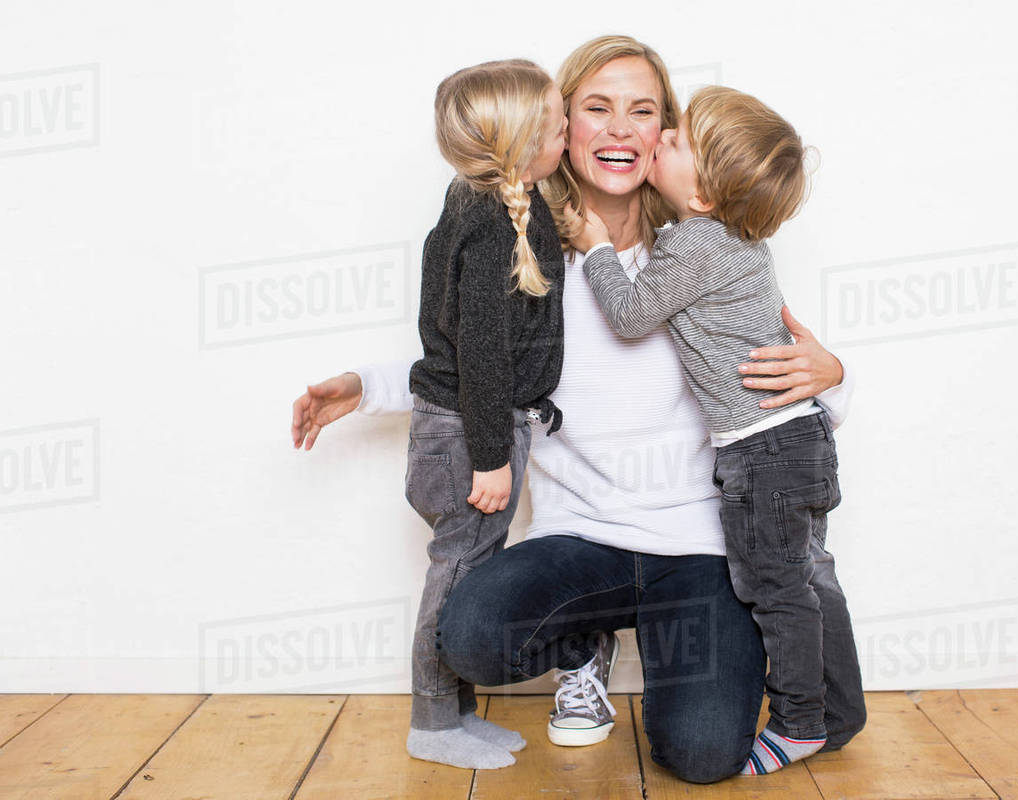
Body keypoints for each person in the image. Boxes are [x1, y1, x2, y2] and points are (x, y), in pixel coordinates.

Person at [291, 35, 866, 785]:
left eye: (646, 112)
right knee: (468, 635)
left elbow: (781, 383)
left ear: (669, 138)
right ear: (558, 129)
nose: (622, 129)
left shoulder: (702, 252)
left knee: (700, 755)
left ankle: (699, 651)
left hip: (698, 546)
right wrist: (364, 386)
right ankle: (585, 642)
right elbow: (478, 369)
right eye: (597, 109)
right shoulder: (531, 254)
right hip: (579, 544)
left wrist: (836, 373)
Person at [567, 84, 838, 775]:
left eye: (676, 137)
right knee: (804, 583)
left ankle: (803, 720)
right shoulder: (733, 243)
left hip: (762, 452)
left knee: (776, 591)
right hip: (798, 443)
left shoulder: (690, 247)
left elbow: (630, 317)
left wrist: (597, 247)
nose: (660, 139)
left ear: (706, 197)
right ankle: (836, 712)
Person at [398, 58, 569, 770]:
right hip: (468, 437)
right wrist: (492, 455)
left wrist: (539, 405)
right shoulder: (490, 224)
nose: (567, 132)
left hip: (481, 426)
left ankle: (457, 712)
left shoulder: (495, 205)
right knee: (458, 572)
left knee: (470, 572)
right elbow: (482, 353)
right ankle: (432, 722)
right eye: (558, 123)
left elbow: (512, 340)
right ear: (523, 140)